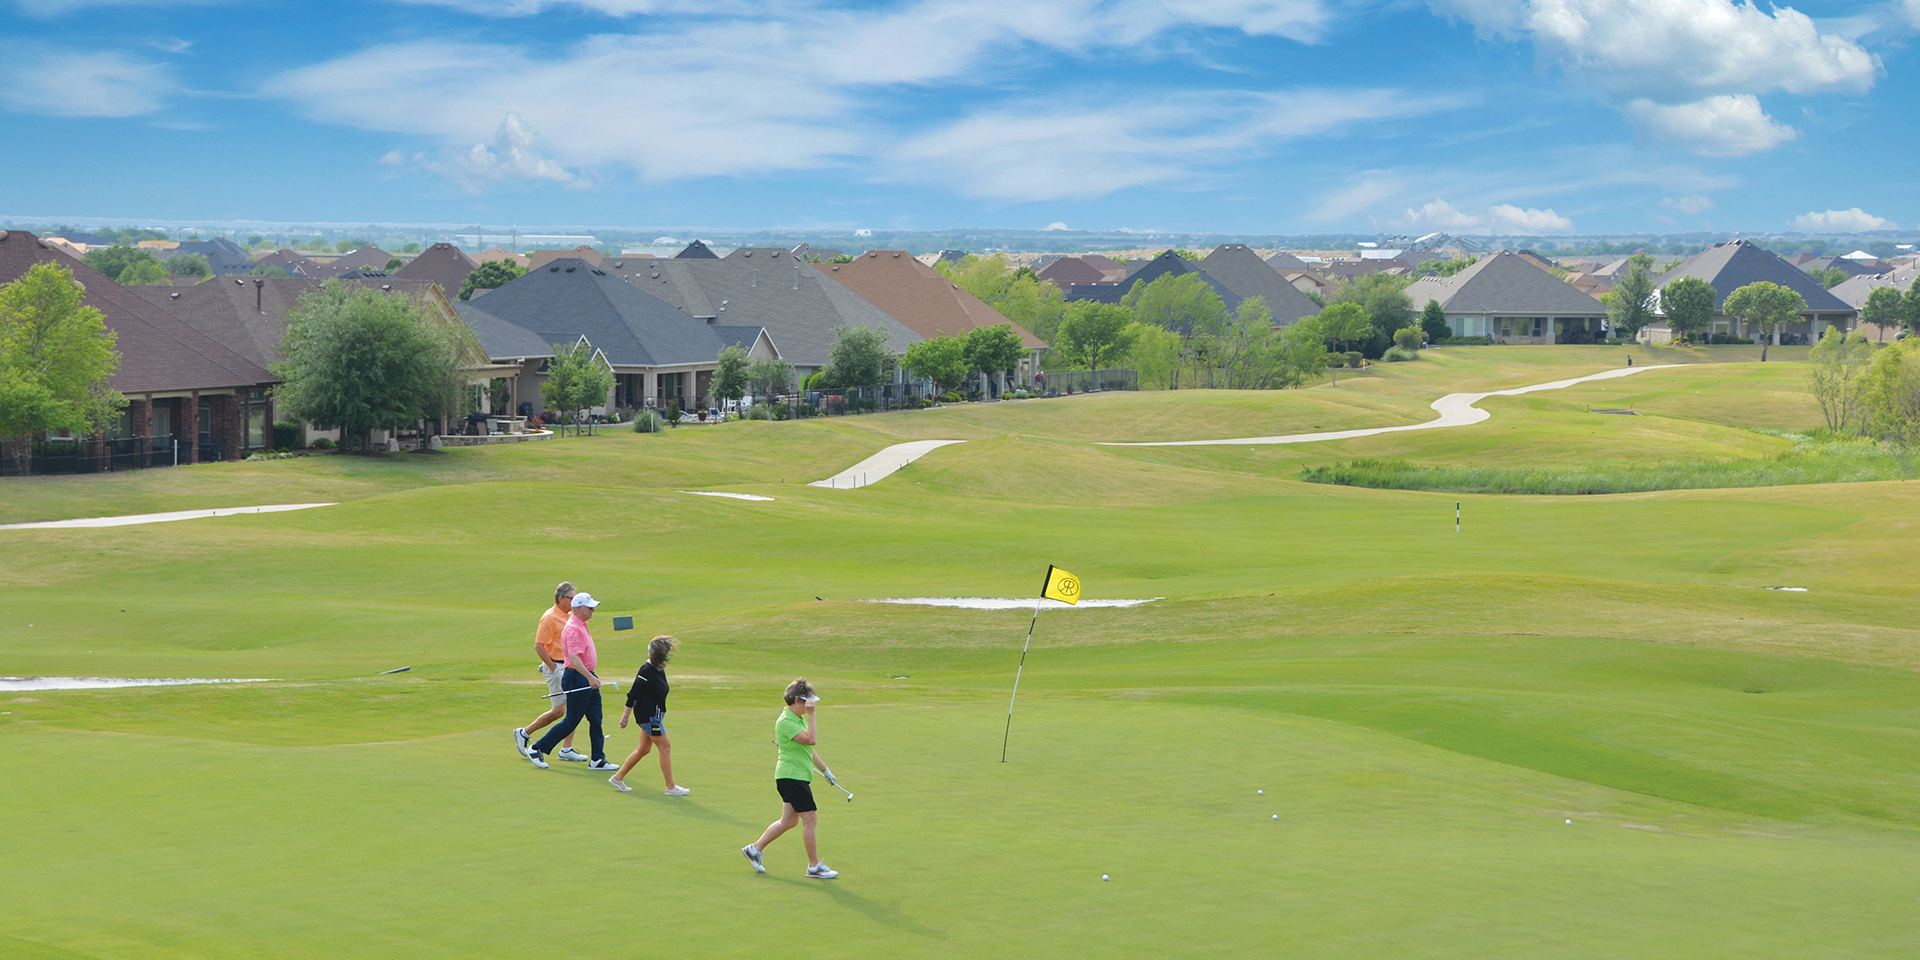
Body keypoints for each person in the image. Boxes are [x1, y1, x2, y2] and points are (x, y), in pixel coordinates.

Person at [741, 678, 837, 879]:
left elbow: (808, 749)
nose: (811, 706)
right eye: (808, 702)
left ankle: (755, 849)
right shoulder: (786, 721)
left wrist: (826, 771)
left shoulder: (797, 719)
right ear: (797, 701)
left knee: (789, 820)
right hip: (792, 776)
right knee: (810, 818)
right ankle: (814, 866)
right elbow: (812, 739)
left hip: (794, 776)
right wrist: (812, 716)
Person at [525, 592, 616, 772]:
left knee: (596, 718)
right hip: (577, 677)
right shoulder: (573, 628)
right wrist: (590, 678)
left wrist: (591, 675)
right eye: (589, 607)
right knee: (571, 720)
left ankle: (597, 759)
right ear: (578, 608)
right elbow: (574, 658)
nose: (593, 610)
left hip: (587, 675)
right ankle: (537, 749)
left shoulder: (582, 624)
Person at [610, 635, 689, 796]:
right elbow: (633, 694)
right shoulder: (646, 671)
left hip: (654, 715)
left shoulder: (658, 668)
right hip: (649, 717)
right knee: (665, 747)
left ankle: (618, 778)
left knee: (643, 749)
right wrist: (625, 716)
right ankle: (670, 787)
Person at [515, 582, 584, 762]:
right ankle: (524, 733)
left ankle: (566, 749)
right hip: (556, 666)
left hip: (568, 665)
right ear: (561, 598)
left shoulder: (568, 615)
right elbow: (539, 646)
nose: (574, 601)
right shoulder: (550, 617)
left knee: (572, 707)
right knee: (559, 711)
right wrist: (553, 669)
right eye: (571, 598)